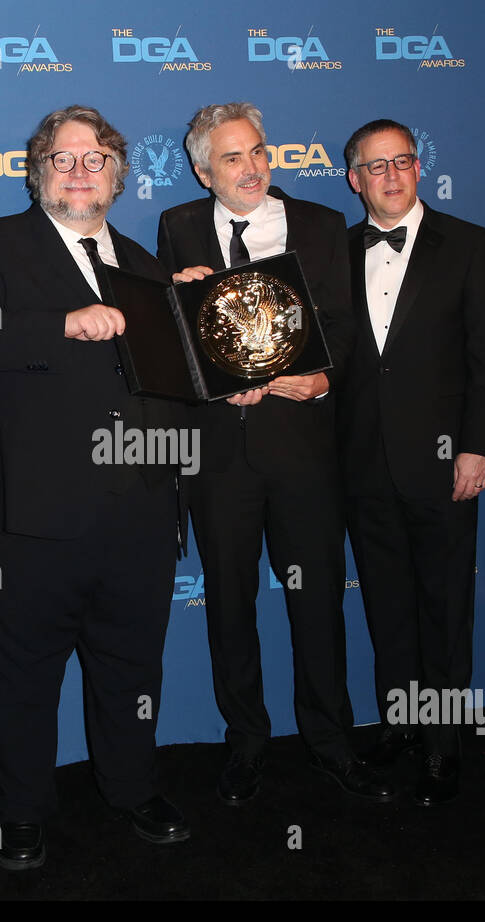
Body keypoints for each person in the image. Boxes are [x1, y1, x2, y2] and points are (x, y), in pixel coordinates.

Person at [0, 106, 190, 871]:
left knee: (132, 667)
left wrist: (205, 325)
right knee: (20, 677)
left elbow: (176, 387)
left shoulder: (146, 267)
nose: (80, 171)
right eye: (62, 158)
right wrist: (61, 325)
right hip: (24, 516)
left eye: (96, 158)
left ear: (119, 175)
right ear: (36, 171)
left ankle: (132, 787)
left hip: (137, 514)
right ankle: (19, 811)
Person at [158, 102, 389, 806]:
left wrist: (322, 380)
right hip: (219, 458)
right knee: (229, 607)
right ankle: (247, 744)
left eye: (259, 151)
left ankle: (329, 741)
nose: (253, 167)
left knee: (316, 602)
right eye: (232, 158)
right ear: (203, 171)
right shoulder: (178, 228)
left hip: (303, 451)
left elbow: (347, 328)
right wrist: (182, 310)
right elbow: (170, 344)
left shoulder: (320, 224)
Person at [337, 119, 485, 805]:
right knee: (388, 608)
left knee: (443, 609)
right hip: (361, 465)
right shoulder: (337, 250)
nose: (389, 175)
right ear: (354, 179)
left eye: (401, 161)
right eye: (374, 166)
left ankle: (442, 745)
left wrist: (478, 447)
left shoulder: (468, 245)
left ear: (419, 167)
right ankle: (400, 725)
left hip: (444, 465)